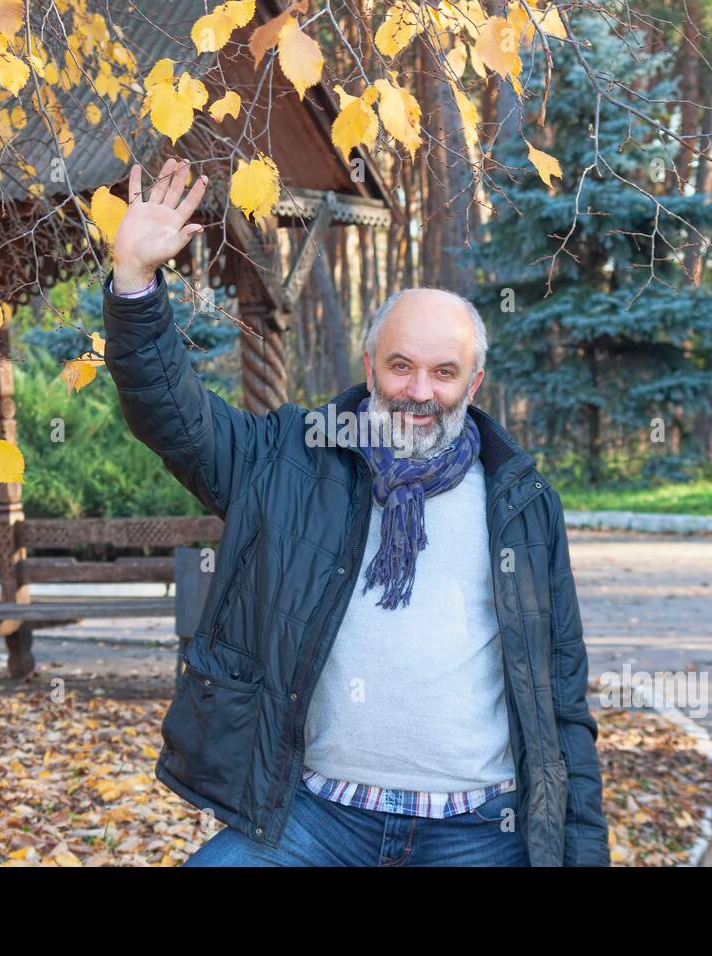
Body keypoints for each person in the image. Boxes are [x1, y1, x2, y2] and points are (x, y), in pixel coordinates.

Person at [102, 157, 610, 867]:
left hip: (477, 829)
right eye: (401, 366)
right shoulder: (289, 459)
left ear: (475, 382)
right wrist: (134, 281)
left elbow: (561, 698)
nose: (419, 391)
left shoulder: (520, 502)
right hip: (316, 816)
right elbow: (171, 415)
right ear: (369, 368)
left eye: (444, 372)